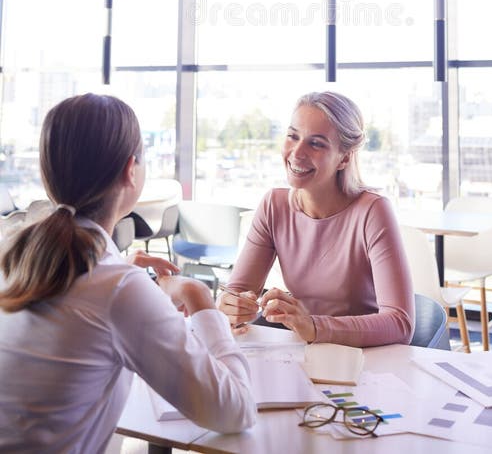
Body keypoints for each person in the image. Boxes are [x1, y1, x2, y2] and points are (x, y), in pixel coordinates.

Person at [0, 93, 256, 453]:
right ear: (130, 170)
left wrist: (122, 270)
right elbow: (235, 410)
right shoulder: (116, 288)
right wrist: (197, 297)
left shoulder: (14, 253)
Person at [218, 91, 415, 347]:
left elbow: (400, 323)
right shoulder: (273, 206)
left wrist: (313, 326)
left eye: (317, 143)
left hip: (364, 360)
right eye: (292, 136)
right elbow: (238, 291)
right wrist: (231, 307)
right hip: (306, 354)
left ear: (344, 158)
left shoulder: (373, 211)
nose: (296, 152)